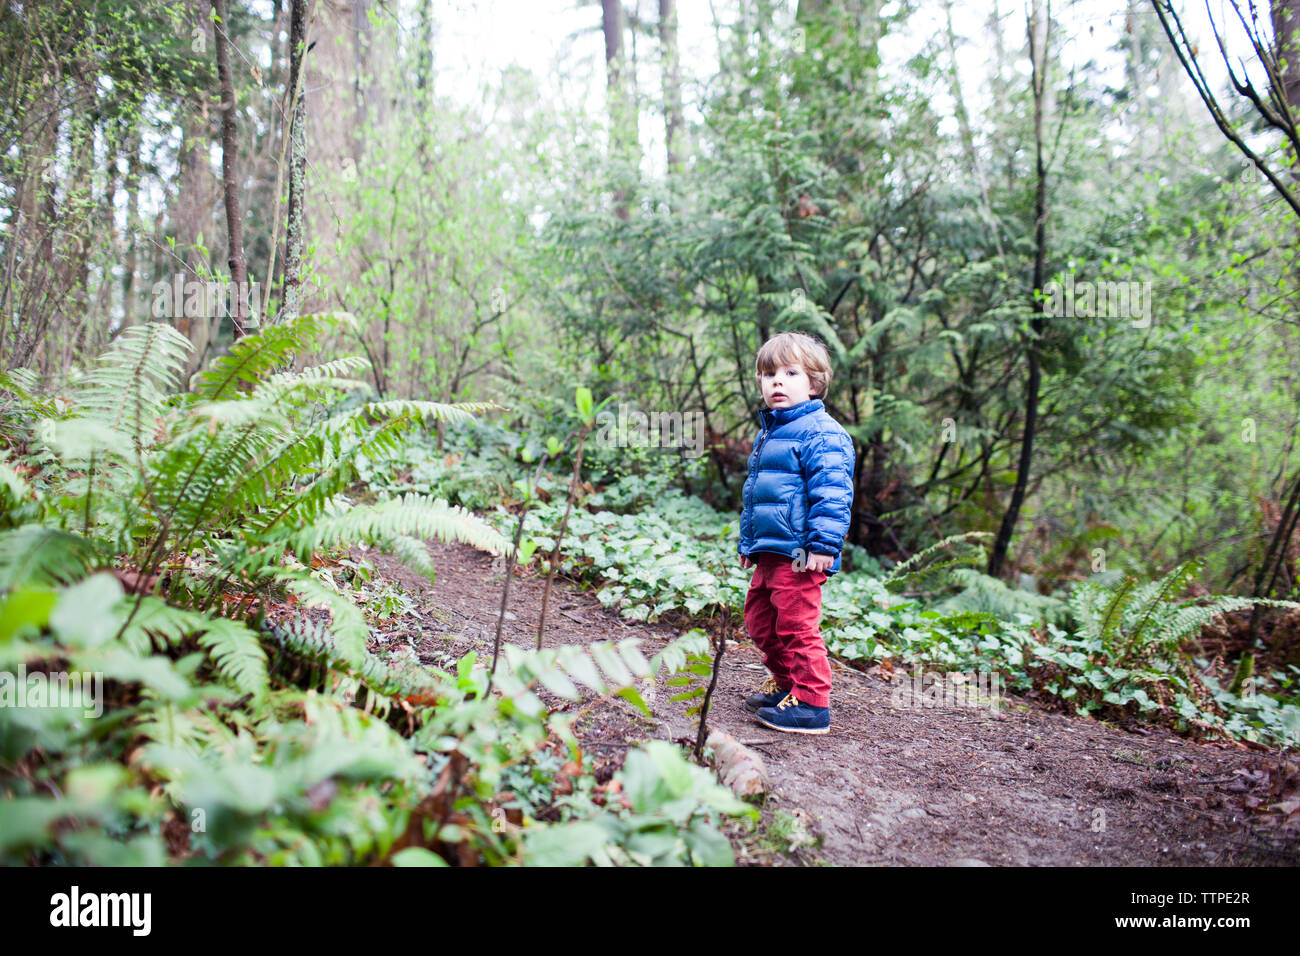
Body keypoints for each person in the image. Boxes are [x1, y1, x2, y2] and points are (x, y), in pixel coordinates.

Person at [737, 331, 855, 734]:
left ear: (814, 383)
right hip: (769, 550)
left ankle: (811, 702)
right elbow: (756, 493)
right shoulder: (769, 432)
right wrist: (747, 543)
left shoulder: (822, 433)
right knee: (759, 621)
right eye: (768, 374)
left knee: (796, 626)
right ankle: (788, 687)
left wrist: (824, 543)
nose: (777, 382)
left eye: (790, 372)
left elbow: (833, 492)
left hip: (801, 555)